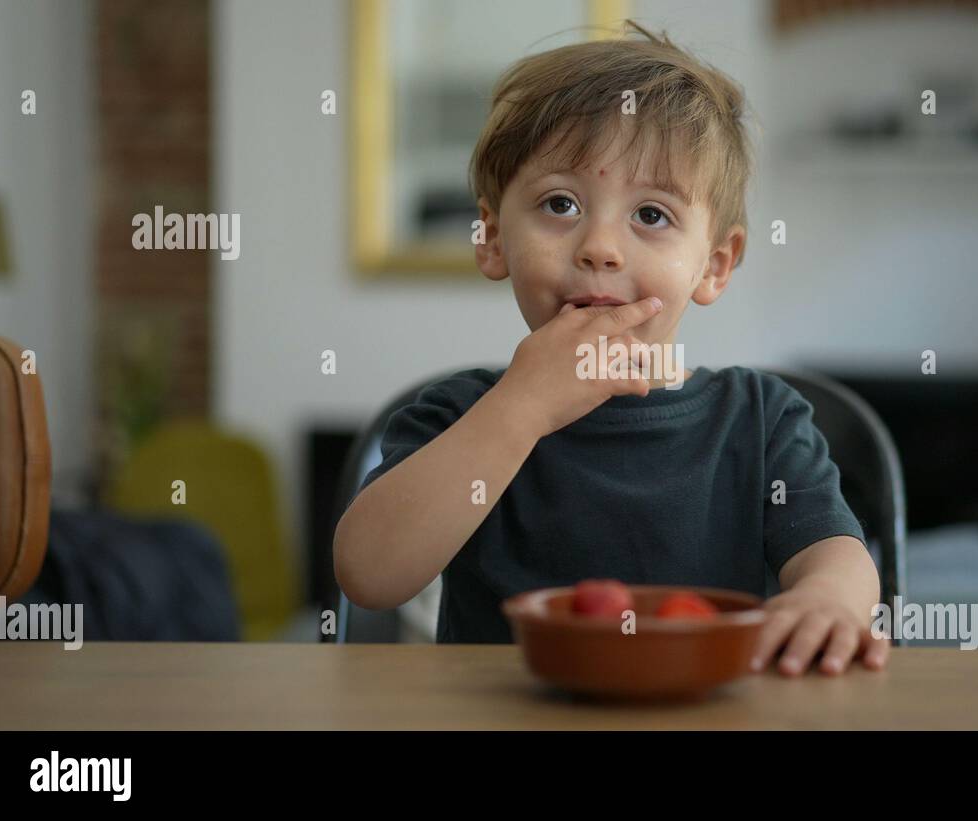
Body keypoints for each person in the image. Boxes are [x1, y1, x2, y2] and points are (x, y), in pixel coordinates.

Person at [334, 20, 888, 676]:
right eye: (560, 203)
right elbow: (368, 574)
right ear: (490, 238)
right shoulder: (461, 414)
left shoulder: (762, 419)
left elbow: (835, 555)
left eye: (651, 215)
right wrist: (523, 408)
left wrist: (826, 598)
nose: (600, 246)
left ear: (714, 264)